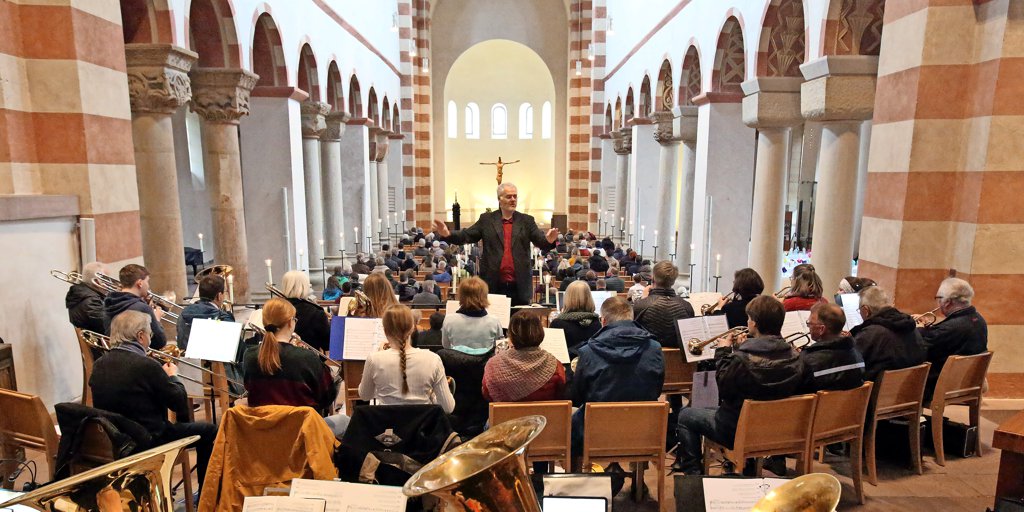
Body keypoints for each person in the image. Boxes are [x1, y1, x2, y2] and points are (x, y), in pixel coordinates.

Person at [674, 296, 805, 475]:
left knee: (686, 415)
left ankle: (694, 476)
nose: (747, 322)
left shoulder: (741, 360)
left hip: (736, 429)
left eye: (749, 318)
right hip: (776, 429)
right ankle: (749, 466)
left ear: (755, 324)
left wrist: (723, 352)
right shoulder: (795, 355)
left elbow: (723, 389)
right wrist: (741, 350)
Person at [90, 310, 217, 490]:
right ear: (140, 336)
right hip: (149, 440)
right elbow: (178, 403)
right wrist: (173, 377)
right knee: (210, 431)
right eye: (150, 333)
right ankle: (206, 494)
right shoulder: (146, 366)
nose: (151, 337)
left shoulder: (99, 364)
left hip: (116, 440)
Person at [433, 183, 558, 305]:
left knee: (519, 323)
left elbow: (540, 241)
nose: (513, 199)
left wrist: (549, 240)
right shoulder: (487, 220)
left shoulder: (526, 221)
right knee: (496, 323)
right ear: (499, 199)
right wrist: (447, 233)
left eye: (515, 196)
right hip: (493, 283)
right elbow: (467, 235)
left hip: (520, 285)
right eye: (509, 196)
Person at [571, 297, 664, 455]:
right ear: (631, 318)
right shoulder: (654, 348)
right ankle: (639, 473)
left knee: (571, 420)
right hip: (643, 429)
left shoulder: (588, 351)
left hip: (598, 431)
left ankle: (580, 477)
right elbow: (656, 390)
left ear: (604, 321)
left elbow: (578, 395)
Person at [242, 298, 347, 435]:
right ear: (290, 323)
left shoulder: (249, 356)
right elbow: (326, 398)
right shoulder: (306, 357)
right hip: (303, 432)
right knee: (345, 421)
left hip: (264, 431)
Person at [359, 305, 455, 412]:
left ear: (385, 331)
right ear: (413, 328)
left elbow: (365, 396)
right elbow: (448, 408)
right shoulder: (433, 359)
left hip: (387, 427)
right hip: (423, 427)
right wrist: (431, 395)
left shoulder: (374, 359)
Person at [919, 277, 987, 399]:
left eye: (938, 298)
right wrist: (929, 329)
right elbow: (945, 340)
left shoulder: (951, 327)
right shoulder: (978, 319)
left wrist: (917, 329)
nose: (938, 303)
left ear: (947, 302)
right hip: (967, 382)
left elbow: (921, 347)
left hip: (941, 385)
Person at [849, 286, 926, 383]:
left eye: (859, 310)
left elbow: (850, 365)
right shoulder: (912, 327)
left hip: (874, 395)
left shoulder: (871, 333)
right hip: (909, 391)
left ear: (866, 310)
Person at [484, 312, 565, 402]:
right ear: (541, 333)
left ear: (510, 335)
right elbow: (561, 395)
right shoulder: (555, 366)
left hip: (505, 416)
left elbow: (487, 394)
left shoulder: (493, 366)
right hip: (544, 415)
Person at [799, 303, 865, 392]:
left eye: (810, 323)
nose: (809, 327)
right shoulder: (857, 353)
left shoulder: (808, 360)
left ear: (821, 329)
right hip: (850, 405)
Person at [102, 264, 167, 350]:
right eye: (147, 281)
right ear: (140, 283)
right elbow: (160, 342)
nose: (148, 286)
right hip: (138, 355)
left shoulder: (109, 303)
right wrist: (157, 319)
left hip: (115, 352)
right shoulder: (142, 308)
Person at [633, 261, 695, 348]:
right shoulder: (686, 306)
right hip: (677, 359)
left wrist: (643, 300)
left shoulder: (641, 305)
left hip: (648, 356)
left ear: (653, 278)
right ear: (673, 282)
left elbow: (634, 333)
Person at [441, 277, 502, 354]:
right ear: (484, 296)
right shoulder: (494, 321)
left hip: (457, 363)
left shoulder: (449, 320)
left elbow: (446, 346)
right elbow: (498, 347)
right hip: (484, 364)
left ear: (461, 295)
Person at [176, 274, 234, 350]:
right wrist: (229, 313)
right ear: (219, 296)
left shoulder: (184, 313)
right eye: (224, 293)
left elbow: (181, 341)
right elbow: (233, 345)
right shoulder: (222, 317)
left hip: (187, 360)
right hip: (215, 361)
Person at [279, 271, 331, 353]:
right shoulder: (315, 312)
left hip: (277, 358)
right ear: (304, 287)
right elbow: (327, 344)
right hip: (309, 361)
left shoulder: (275, 308)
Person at [550, 281, 601, 358]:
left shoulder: (557, 324)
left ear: (567, 298)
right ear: (589, 298)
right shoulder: (597, 323)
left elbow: (552, 353)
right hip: (590, 367)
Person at [65, 261, 108, 334]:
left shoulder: (81, 294)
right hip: (102, 342)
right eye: (107, 280)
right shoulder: (91, 300)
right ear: (97, 281)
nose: (109, 283)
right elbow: (108, 328)